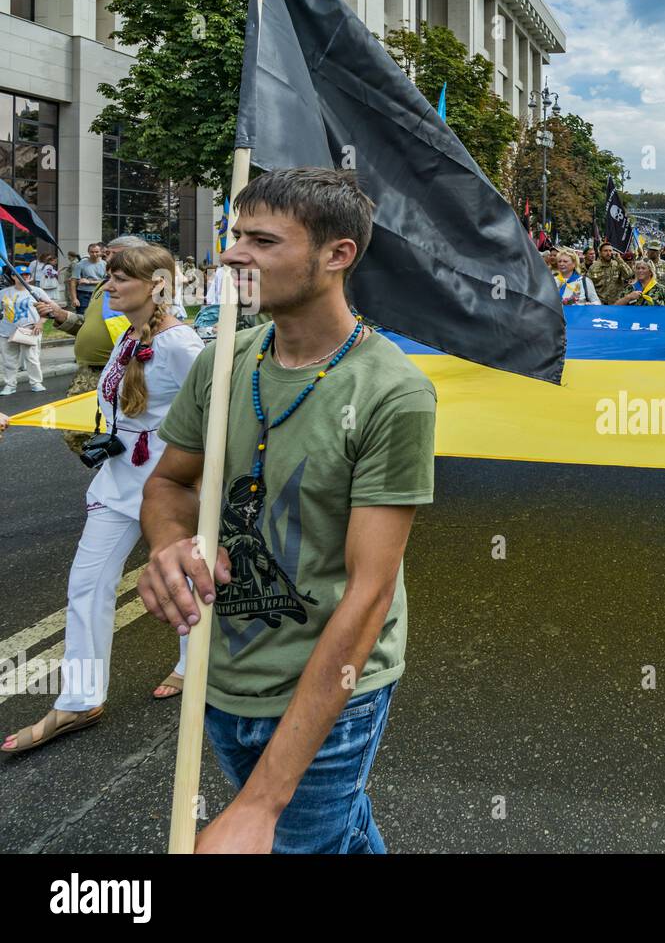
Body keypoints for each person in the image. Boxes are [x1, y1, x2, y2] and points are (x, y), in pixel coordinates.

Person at [137, 167, 437, 853]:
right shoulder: (223, 361)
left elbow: (369, 593)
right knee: (332, 836)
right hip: (222, 675)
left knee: (298, 840)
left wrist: (263, 803)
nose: (234, 254)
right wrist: (167, 547)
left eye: (263, 241)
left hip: (331, 692)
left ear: (337, 256)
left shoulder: (394, 393)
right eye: (235, 235)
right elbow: (169, 487)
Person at [2, 245, 203, 755]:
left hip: (170, 487)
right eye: (107, 277)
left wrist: (196, 481)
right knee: (87, 585)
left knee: (182, 580)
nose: (107, 286)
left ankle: (193, 665)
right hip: (116, 483)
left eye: (118, 279)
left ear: (156, 285)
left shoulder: (180, 343)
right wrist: (19, 417)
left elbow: (212, 416)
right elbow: (102, 401)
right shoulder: (125, 334)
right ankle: (79, 698)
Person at [36, 235, 155, 456]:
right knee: (82, 432)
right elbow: (88, 324)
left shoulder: (143, 290)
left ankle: (121, 473)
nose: (103, 256)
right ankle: (111, 473)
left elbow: (148, 328)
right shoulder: (104, 285)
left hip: (117, 370)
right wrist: (62, 316)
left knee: (103, 432)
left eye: (110, 253)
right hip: (91, 369)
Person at [0, 267, 45, 394]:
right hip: (6, 330)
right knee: (9, 360)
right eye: (21, 275)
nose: (25, 277)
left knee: (32, 358)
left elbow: (49, 308)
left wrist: (40, 322)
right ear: (14, 276)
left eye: (27, 275)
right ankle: (10, 385)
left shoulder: (37, 291)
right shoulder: (4, 293)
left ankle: (36, 383)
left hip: (30, 330)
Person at [73, 243, 108, 314]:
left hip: (99, 293)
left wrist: (89, 282)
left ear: (101, 252)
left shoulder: (105, 265)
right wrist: (74, 298)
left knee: (97, 316)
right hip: (83, 294)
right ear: (88, 252)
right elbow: (73, 282)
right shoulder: (80, 264)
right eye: (92, 252)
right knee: (82, 316)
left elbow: (107, 281)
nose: (94, 254)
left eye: (96, 252)